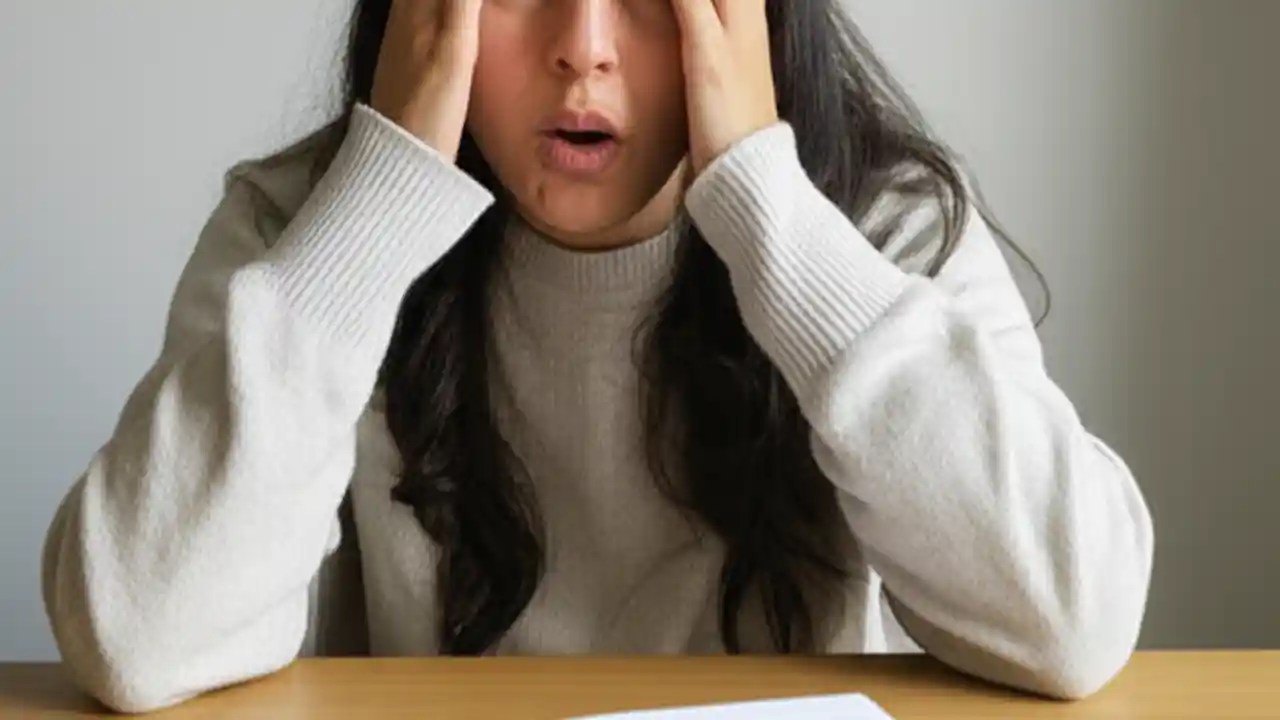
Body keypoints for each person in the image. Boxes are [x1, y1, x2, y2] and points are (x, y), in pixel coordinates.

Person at [41, 0, 1154, 713]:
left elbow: (1069, 619)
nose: (583, 44)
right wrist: (373, 212)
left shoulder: (878, 231)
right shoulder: (306, 231)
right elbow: (139, 636)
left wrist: (769, 209)